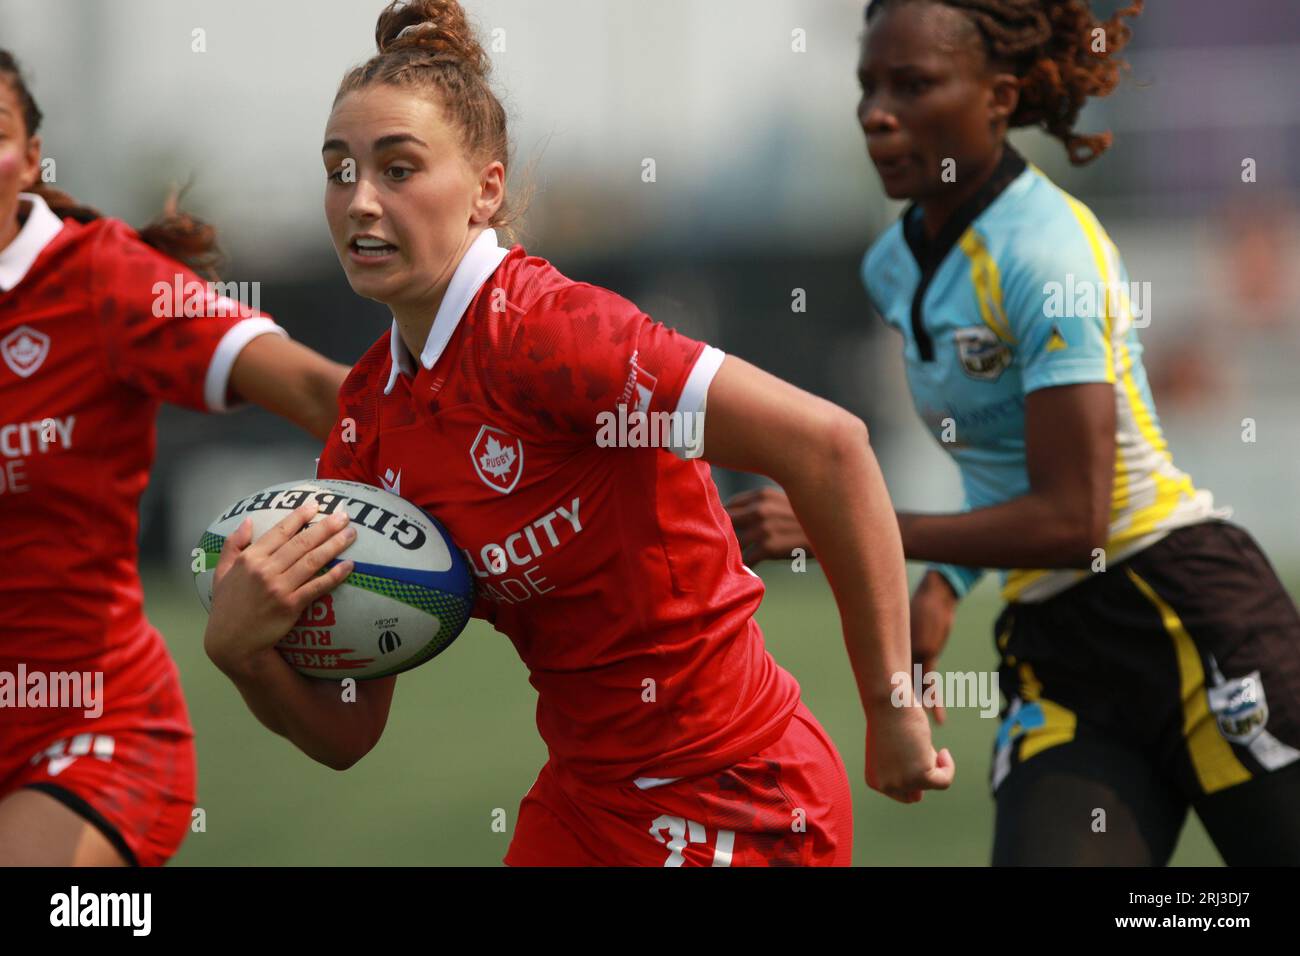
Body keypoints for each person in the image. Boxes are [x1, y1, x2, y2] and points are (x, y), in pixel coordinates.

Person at [201, 0, 954, 867]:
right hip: (587, 801)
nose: (360, 202)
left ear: (487, 189)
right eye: (339, 171)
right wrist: (243, 650)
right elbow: (349, 733)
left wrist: (892, 704)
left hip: (738, 790)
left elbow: (830, 445)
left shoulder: (555, 337)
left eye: (398, 169)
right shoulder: (369, 424)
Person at [727, 0, 1300, 865]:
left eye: (913, 85)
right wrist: (945, 583)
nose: (876, 112)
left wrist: (851, 526)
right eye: (869, 86)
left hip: (1185, 614)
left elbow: (1076, 521)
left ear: (997, 99)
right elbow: (997, 456)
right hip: (1056, 650)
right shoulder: (895, 264)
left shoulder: (1047, 252)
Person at [0, 49, 349, 866]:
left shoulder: (99, 279)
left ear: (31, 160)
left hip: (88, 730)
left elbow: (313, 391)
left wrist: (504, 443)